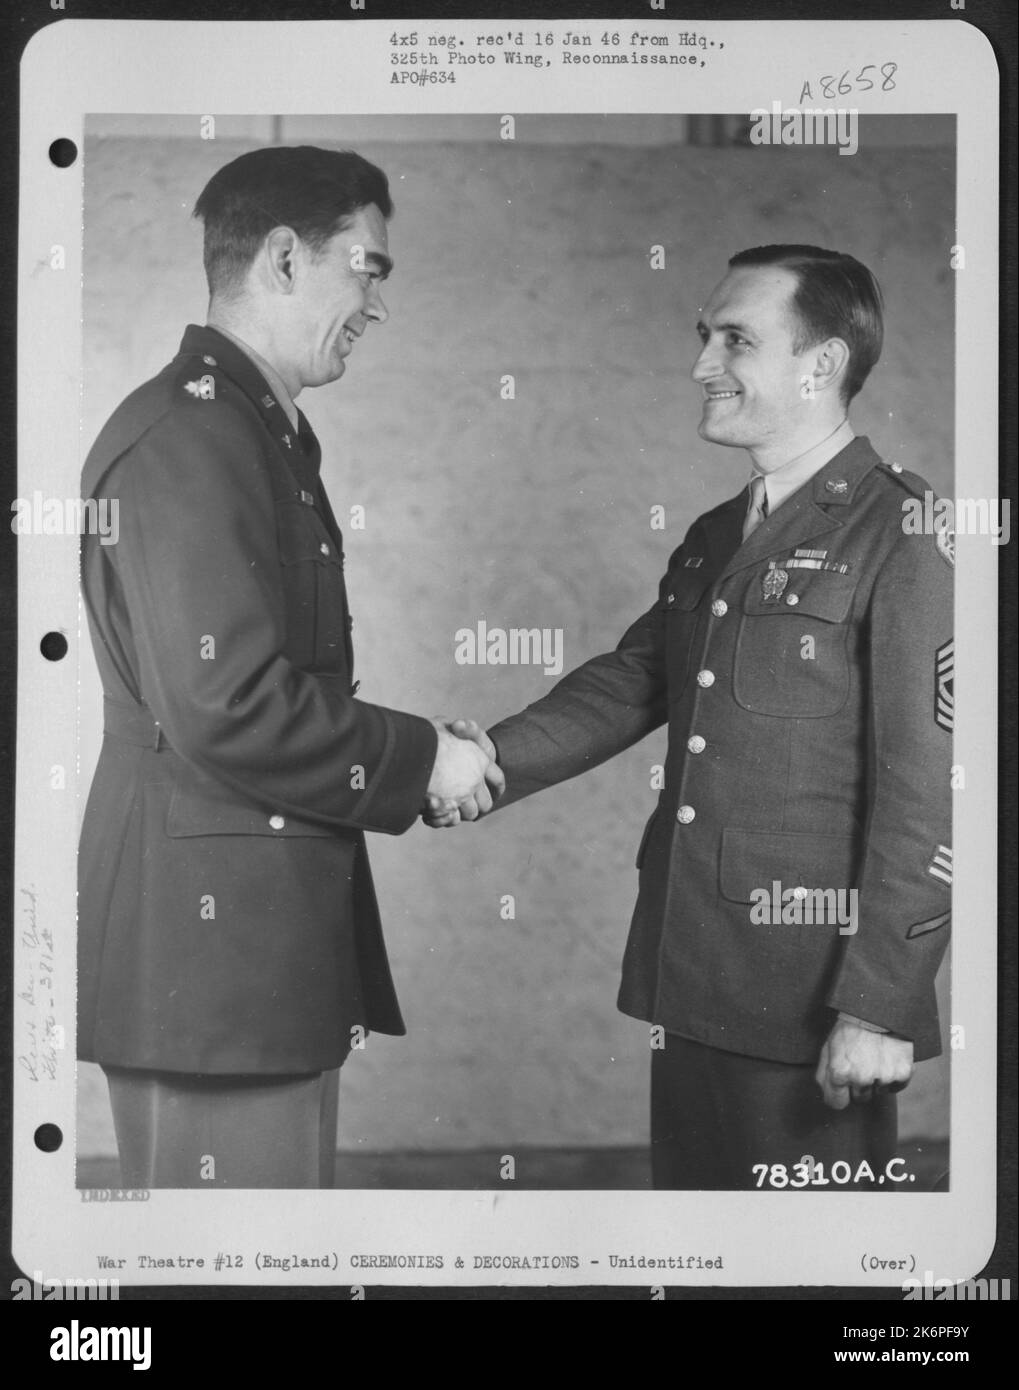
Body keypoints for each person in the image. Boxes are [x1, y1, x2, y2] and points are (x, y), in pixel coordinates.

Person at [428, 245, 953, 1191]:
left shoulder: (902, 532)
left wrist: (880, 1005)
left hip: (811, 995)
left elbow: (933, 791)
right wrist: (485, 757)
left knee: (802, 1258)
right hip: (694, 972)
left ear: (821, 364)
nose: (701, 364)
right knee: (699, 1240)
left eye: (734, 340)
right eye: (704, 336)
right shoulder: (720, 532)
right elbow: (634, 682)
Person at [78, 145, 501, 1189]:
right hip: (214, 962)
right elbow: (228, 704)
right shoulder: (194, 433)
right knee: (235, 1257)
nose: (377, 304)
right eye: (368, 268)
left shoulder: (245, 426)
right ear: (280, 257)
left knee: (271, 1247)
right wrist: (424, 759)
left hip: (245, 949)